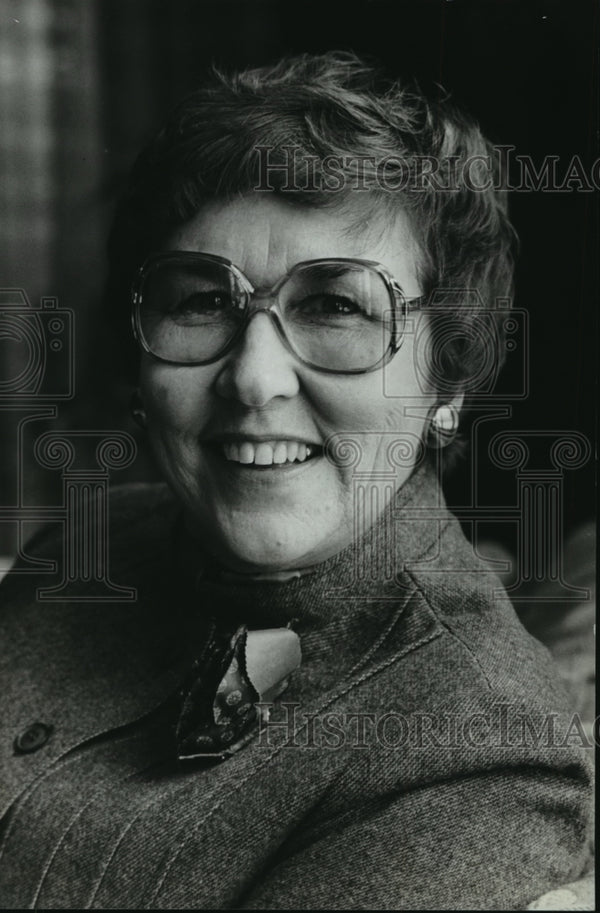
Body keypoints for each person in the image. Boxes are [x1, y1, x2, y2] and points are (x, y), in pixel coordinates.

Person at [0, 52, 593, 909]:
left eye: (336, 306)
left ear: (450, 378)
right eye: (201, 300)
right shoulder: (88, 546)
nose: (254, 378)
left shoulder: (479, 747)